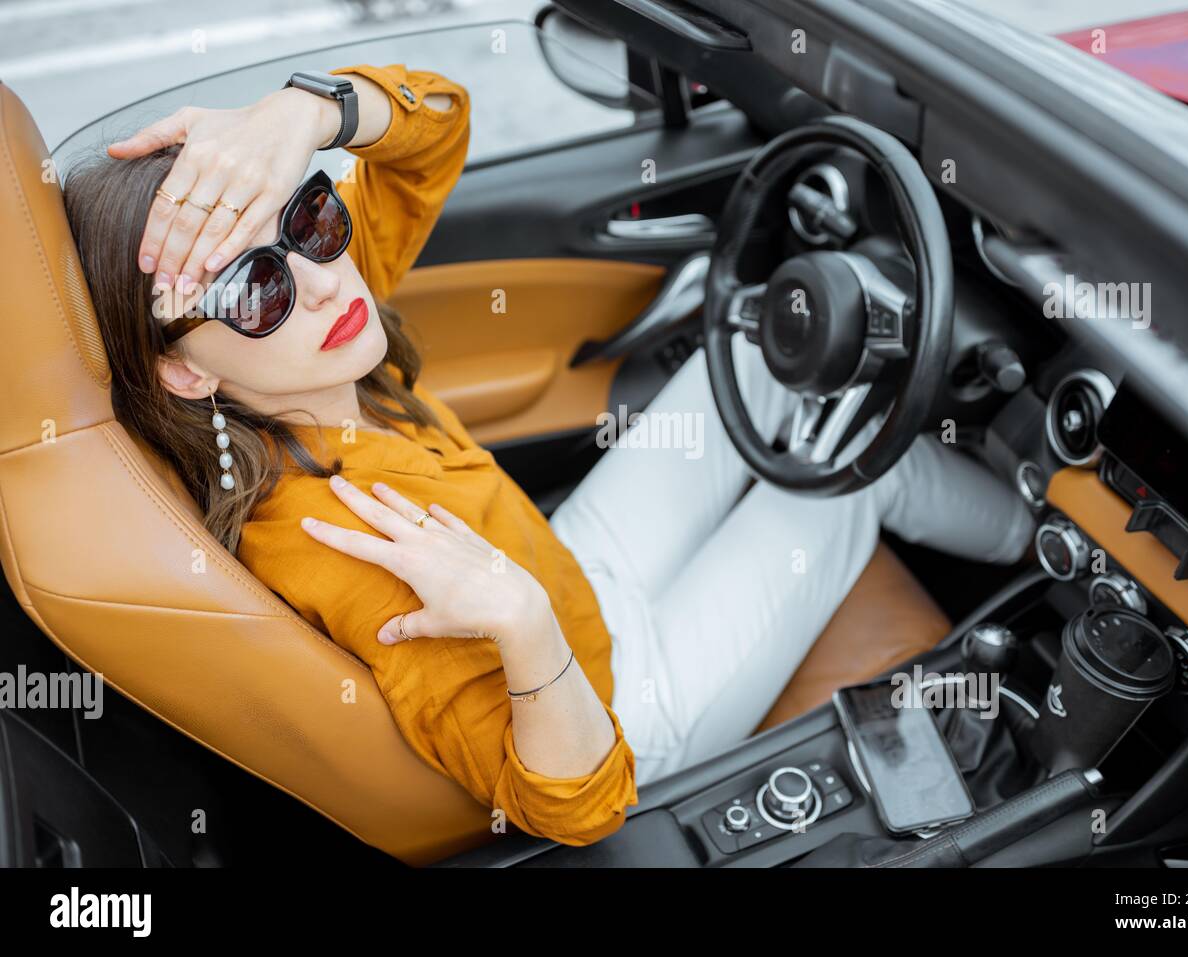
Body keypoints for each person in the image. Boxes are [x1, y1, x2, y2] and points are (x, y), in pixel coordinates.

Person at [62, 62, 1033, 848]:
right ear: (185, 375)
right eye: (253, 290)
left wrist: (307, 114)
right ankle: (1047, 533)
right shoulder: (339, 545)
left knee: (747, 346)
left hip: (574, 570)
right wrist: (524, 626)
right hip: (619, 702)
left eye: (310, 218)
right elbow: (578, 806)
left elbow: (437, 127)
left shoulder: (318, 344)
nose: (320, 282)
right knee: (849, 477)